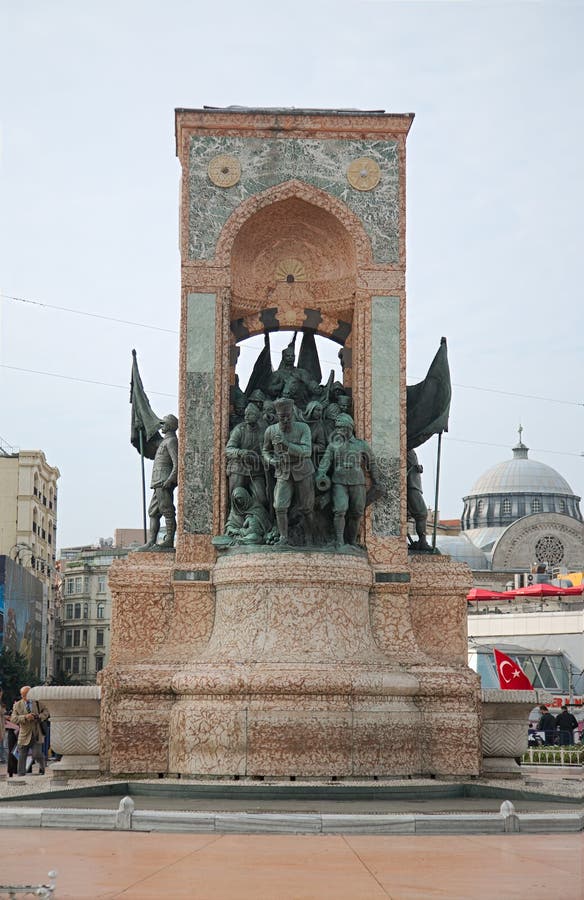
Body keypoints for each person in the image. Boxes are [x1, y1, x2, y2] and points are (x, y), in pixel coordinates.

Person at [316, 413, 383, 549]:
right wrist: (321, 474)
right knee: (340, 509)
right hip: (339, 481)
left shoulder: (361, 445)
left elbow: (372, 463)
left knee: (357, 512)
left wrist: (376, 480)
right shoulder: (334, 445)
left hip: (357, 482)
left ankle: (352, 541)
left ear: (349, 428)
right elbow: (325, 461)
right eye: (337, 428)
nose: (338, 430)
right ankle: (339, 541)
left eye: (341, 428)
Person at [262, 397, 315, 545]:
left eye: (288, 416)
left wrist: (287, 445)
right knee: (279, 505)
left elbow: (307, 451)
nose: (285, 420)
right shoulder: (270, 430)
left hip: (303, 471)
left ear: (292, 413)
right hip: (283, 472)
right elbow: (265, 451)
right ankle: (283, 537)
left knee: (306, 508)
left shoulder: (303, 428)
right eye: (281, 417)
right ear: (277, 416)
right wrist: (271, 461)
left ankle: (310, 536)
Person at [137, 414, 179, 551]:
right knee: (153, 512)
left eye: (164, 423)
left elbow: (177, 464)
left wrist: (170, 480)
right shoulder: (164, 441)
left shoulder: (172, 441)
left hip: (163, 481)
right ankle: (151, 542)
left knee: (167, 511)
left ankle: (169, 541)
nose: (162, 426)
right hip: (158, 482)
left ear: (170, 425)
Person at [225, 403, 267, 507]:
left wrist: (261, 458)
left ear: (257, 416)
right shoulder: (239, 429)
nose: (246, 417)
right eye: (246, 414)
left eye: (250, 414)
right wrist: (240, 453)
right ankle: (235, 520)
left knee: (261, 499)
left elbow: (267, 450)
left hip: (256, 470)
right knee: (235, 498)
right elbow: (228, 450)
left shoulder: (263, 431)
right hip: (238, 468)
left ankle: (255, 519)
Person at [10, 685, 49, 776]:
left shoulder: (38, 703)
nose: (24, 697)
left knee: (36, 754)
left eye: (26, 695)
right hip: (24, 734)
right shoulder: (17, 705)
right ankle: (21, 774)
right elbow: (13, 718)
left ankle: (42, 766)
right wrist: (25, 717)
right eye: (23, 695)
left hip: (36, 733)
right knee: (22, 756)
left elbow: (46, 712)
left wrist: (38, 716)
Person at [407, 449, 432, 552]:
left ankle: (422, 541)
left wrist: (417, 468)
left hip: (414, 484)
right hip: (411, 485)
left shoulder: (410, 449)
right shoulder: (406, 445)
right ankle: (422, 541)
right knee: (422, 513)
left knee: (421, 514)